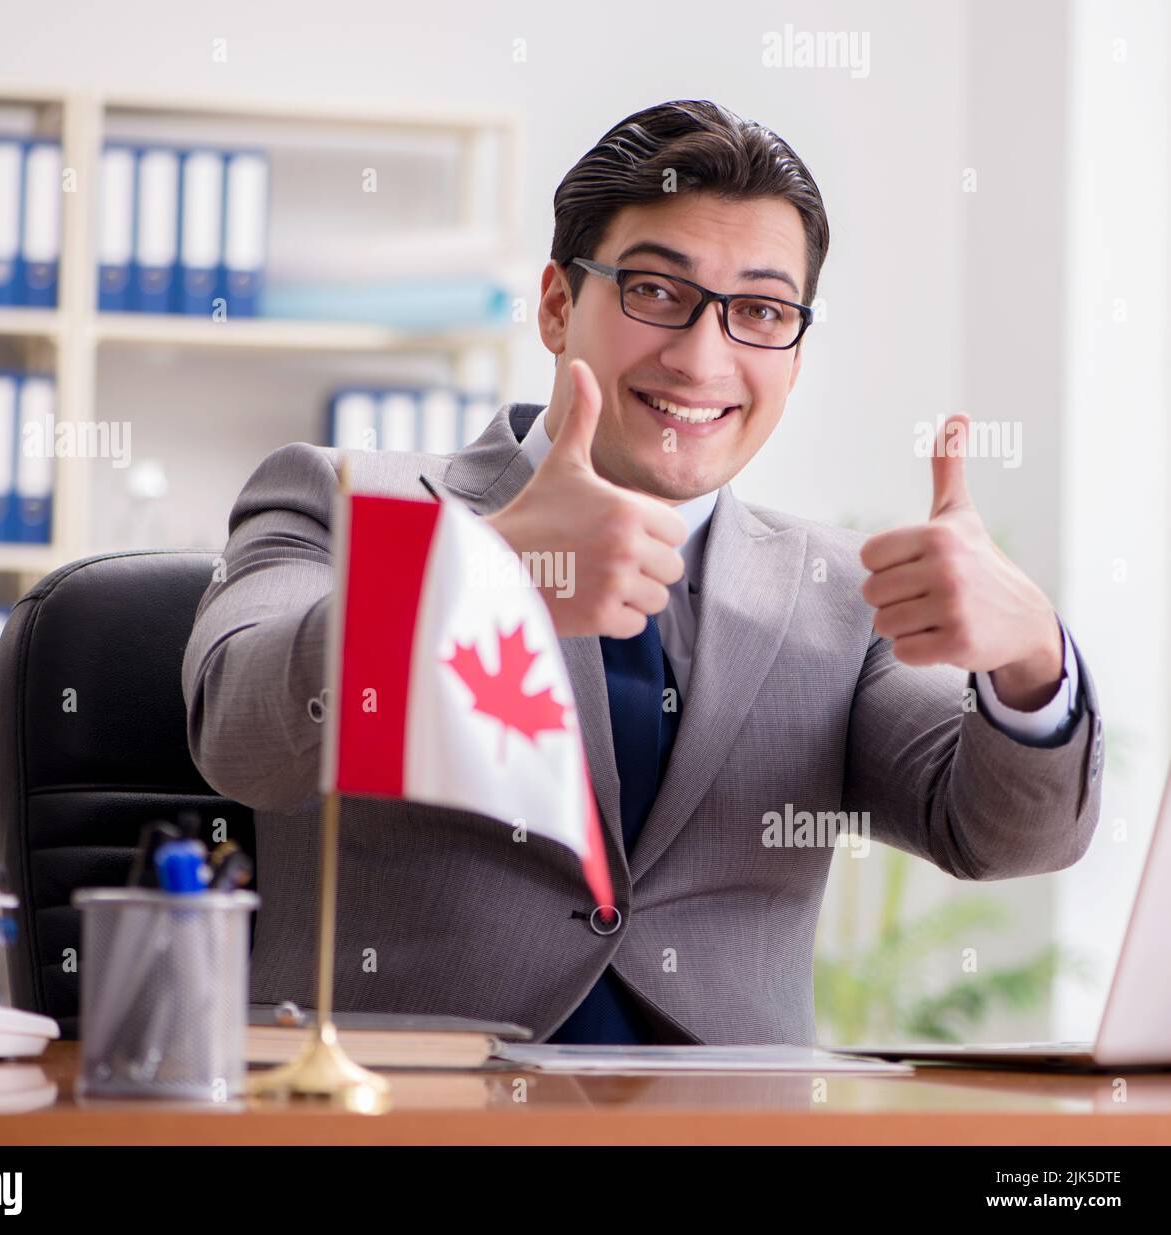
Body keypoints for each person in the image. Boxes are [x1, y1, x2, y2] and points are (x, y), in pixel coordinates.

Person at [181, 99, 1102, 1045]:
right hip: (412, 1113)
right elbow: (243, 732)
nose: (703, 358)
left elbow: (996, 834)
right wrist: (485, 573)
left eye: (760, 310)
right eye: (656, 291)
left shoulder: (839, 594)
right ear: (554, 305)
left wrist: (1031, 658)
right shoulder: (340, 500)